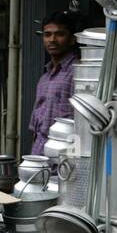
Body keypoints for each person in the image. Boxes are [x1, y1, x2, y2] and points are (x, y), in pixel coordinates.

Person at [29, 12, 80, 155]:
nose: (52, 39)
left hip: (64, 157)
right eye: (47, 34)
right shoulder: (45, 78)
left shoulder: (78, 73)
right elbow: (35, 128)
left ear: (72, 39)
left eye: (59, 34)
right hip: (40, 155)